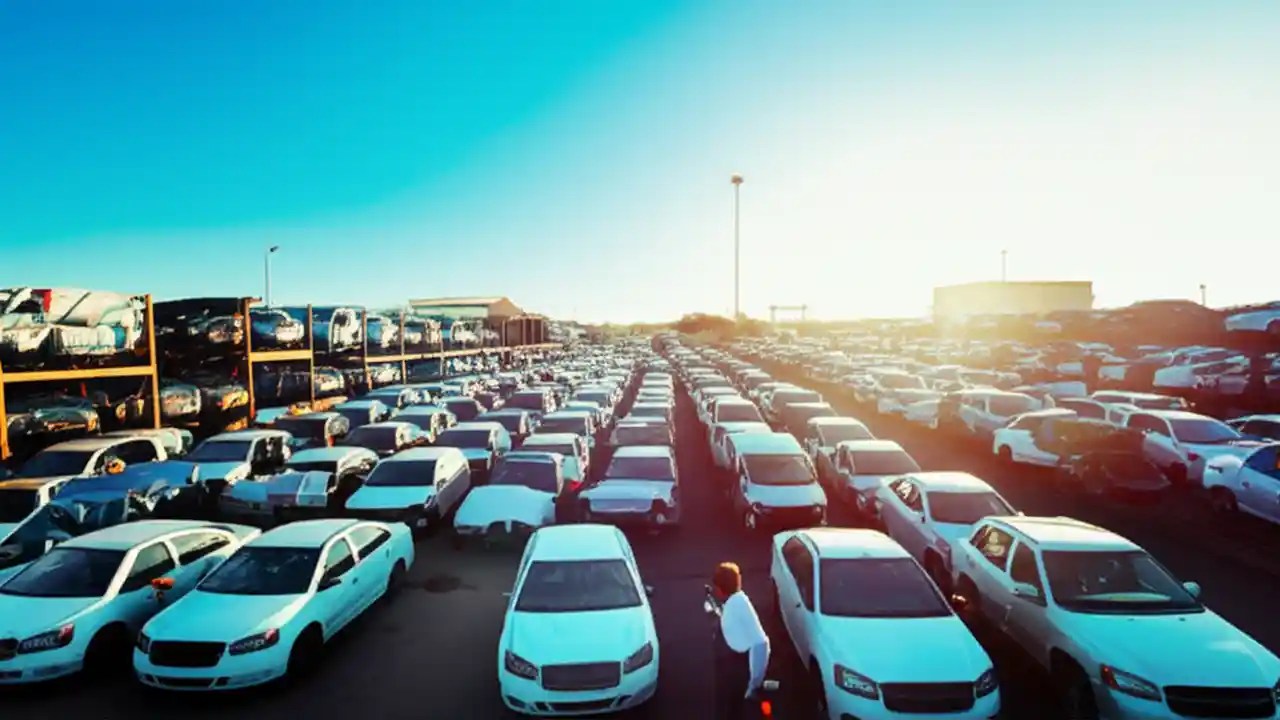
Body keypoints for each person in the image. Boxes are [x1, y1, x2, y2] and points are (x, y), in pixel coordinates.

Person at [710, 562, 770, 719]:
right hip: (732, 669)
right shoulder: (737, 600)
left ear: (720, 589)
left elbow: (761, 643)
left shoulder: (737, 604)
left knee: (731, 711)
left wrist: (753, 683)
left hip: (737, 673)